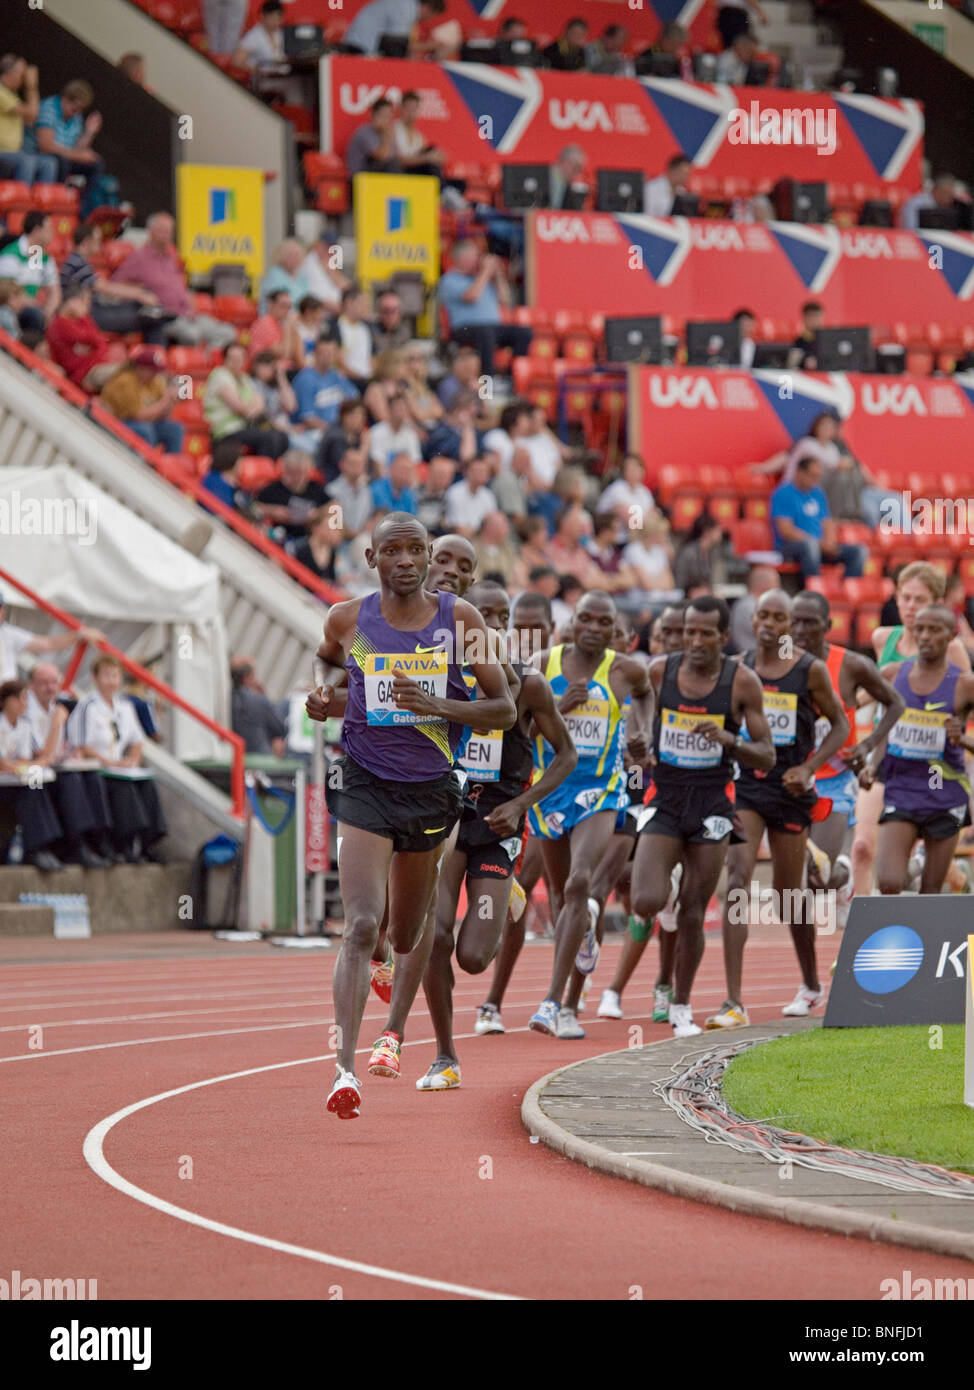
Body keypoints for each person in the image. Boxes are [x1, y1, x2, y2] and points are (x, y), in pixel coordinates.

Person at [306, 513, 516, 1118]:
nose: (405, 561)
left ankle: (394, 1012)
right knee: (361, 924)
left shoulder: (462, 621)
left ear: (428, 558)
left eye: (415, 551)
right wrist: (322, 700)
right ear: (372, 558)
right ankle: (345, 1068)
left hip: (429, 789)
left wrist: (435, 703)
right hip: (364, 780)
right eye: (391, 551)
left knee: (404, 932)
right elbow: (328, 670)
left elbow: (502, 709)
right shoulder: (347, 619)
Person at [407, 581, 576, 1087]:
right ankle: (444, 1054)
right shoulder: (438, 677)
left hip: (498, 824)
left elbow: (567, 756)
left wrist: (522, 803)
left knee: (474, 957)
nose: (496, 626)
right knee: (434, 934)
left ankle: (507, 897)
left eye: (503, 618)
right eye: (486, 615)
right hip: (446, 818)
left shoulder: (529, 685)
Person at [629, 596, 774, 1037]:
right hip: (667, 796)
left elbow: (766, 754)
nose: (693, 640)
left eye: (704, 633)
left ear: (723, 637)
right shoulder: (660, 671)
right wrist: (640, 740)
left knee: (694, 909)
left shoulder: (742, 682)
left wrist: (729, 740)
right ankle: (667, 879)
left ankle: (681, 1005)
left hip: (712, 803)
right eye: (688, 631)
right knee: (646, 900)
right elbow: (638, 705)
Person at [709, 590, 847, 1030]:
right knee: (736, 881)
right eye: (762, 614)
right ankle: (733, 1001)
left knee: (790, 899)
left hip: (790, 791)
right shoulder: (740, 668)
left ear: (790, 624)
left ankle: (810, 983)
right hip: (748, 787)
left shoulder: (810, 670)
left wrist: (809, 768)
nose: (768, 623)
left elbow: (841, 725)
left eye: (778, 617)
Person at [524, 592, 653, 1038]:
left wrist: (642, 734)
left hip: (602, 790)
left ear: (614, 626)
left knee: (580, 883)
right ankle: (582, 940)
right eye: (586, 619)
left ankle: (558, 1004)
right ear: (572, 622)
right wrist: (559, 710)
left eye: (604, 620)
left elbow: (645, 693)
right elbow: (517, 725)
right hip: (551, 789)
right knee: (563, 901)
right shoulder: (543, 663)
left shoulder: (624, 669)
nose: (594, 627)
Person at [853, 563, 971, 896]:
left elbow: (958, 700)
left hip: (936, 772)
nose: (909, 606)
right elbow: (868, 696)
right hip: (889, 761)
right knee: (863, 847)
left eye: (919, 599)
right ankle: (858, 935)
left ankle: (947, 874)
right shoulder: (882, 640)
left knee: (931, 877)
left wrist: (958, 739)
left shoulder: (953, 651)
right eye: (904, 598)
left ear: (937, 602)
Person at [790, 591, 904, 926]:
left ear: (827, 625)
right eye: (793, 621)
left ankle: (843, 880)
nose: (799, 629)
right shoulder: (777, 664)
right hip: (790, 780)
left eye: (809, 623)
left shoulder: (851, 665)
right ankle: (807, 968)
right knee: (797, 880)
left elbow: (895, 703)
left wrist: (868, 745)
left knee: (818, 873)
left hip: (834, 780)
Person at [598, 605, 686, 1022]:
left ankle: (661, 984)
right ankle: (604, 986)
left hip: (687, 801)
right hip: (637, 798)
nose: (667, 639)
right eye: (662, 632)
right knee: (641, 895)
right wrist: (637, 770)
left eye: (676, 632)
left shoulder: (702, 683)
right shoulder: (638, 681)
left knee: (667, 899)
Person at [67, 654, 168, 863]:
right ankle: (124, 844)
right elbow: (80, 746)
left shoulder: (125, 707)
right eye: (106, 676)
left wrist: (133, 758)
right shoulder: (87, 706)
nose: (112, 681)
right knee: (123, 788)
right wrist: (110, 762)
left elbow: (137, 739)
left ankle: (147, 842)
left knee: (147, 785)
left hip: (120, 766)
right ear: (95, 678)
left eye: (115, 676)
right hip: (97, 768)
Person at [25, 663, 114, 868]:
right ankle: (75, 845)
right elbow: (43, 754)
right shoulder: (26, 710)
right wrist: (57, 724)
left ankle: (100, 840)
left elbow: (75, 743)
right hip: (34, 772)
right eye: (44, 683)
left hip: (58, 767)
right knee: (67, 781)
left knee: (93, 778)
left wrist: (75, 752)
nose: (50, 688)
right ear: (31, 686)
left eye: (54, 682)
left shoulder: (63, 705)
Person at [110, 212, 237, 348]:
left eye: (169, 231)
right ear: (151, 231)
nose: (167, 235)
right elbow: (115, 284)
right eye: (162, 230)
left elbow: (181, 287)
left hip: (189, 316)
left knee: (228, 332)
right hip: (165, 318)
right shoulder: (139, 258)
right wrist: (139, 293)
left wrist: (189, 302)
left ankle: (208, 359)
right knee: (192, 335)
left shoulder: (172, 256)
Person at [436, 240, 531, 376]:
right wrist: (485, 272)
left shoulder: (484, 279)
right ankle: (488, 377)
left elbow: (506, 300)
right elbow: (471, 296)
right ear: (461, 259)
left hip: (491, 328)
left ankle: (511, 376)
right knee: (486, 332)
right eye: (474, 257)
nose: (478, 261)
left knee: (523, 333)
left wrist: (497, 275)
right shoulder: (450, 279)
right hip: (464, 328)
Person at [0, 679, 65, 871]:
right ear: (6, 700)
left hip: (14, 781)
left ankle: (43, 846)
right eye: (20, 699)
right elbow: (4, 763)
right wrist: (32, 764)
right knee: (31, 790)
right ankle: (36, 848)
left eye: (26, 699)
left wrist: (29, 765)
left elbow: (23, 759)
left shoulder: (24, 725)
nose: (24, 704)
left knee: (37, 787)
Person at [60, 222, 166, 341]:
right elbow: (103, 287)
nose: (101, 244)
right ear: (87, 242)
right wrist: (139, 294)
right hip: (90, 314)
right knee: (152, 318)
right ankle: (156, 356)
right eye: (98, 240)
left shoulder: (77, 261)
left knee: (150, 312)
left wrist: (139, 292)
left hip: (96, 309)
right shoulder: (76, 262)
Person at [770, 455, 865, 580]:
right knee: (810, 546)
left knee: (859, 551)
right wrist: (819, 543)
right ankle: (814, 590)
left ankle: (847, 592)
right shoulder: (783, 493)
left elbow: (827, 522)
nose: (815, 480)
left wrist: (830, 542)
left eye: (818, 476)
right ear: (800, 472)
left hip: (819, 546)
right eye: (812, 475)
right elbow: (786, 531)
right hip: (790, 547)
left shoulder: (818, 493)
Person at [23, 78, 107, 214]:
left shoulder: (76, 116)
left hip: (64, 155)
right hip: (39, 154)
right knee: (61, 162)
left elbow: (76, 148)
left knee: (96, 163)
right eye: (74, 108)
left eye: (80, 109)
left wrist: (89, 132)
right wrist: (77, 155)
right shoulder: (48, 108)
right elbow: (46, 146)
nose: (76, 112)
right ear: (66, 98)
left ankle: (85, 211)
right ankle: (56, 205)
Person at [203, 341, 290, 459]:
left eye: (240, 358)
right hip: (224, 432)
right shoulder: (219, 375)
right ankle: (262, 473)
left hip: (245, 428)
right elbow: (239, 408)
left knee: (282, 437)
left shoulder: (244, 378)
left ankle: (269, 471)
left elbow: (260, 404)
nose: (237, 362)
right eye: (233, 358)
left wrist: (248, 411)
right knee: (270, 439)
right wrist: (249, 410)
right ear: (224, 359)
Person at [0, 593, 103, 683]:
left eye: (1, 608)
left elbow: (49, 644)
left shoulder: (8, 633)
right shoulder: (8, 632)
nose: (1, 612)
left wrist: (81, 634)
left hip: (7, 697)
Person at [100, 344, 183, 453]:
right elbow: (138, 416)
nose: (155, 374)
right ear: (141, 368)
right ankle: (146, 464)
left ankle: (169, 466)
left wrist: (170, 401)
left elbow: (164, 416)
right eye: (152, 370)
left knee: (174, 429)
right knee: (145, 429)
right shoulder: (125, 381)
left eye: (156, 371)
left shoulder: (155, 381)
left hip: (142, 423)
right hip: (115, 422)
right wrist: (165, 401)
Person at [290, 330, 360, 454]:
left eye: (332, 353)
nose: (329, 357)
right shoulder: (306, 379)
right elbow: (309, 419)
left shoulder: (336, 375)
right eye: (325, 353)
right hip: (315, 434)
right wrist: (336, 431)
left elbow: (355, 400)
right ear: (315, 354)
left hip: (340, 431)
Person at [46, 284, 119, 393]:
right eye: (84, 301)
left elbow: (101, 342)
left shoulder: (83, 320)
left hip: (97, 367)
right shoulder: (59, 324)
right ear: (72, 301)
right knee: (122, 375)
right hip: (84, 375)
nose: (87, 306)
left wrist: (94, 345)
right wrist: (95, 345)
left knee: (129, 371)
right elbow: (96, 340)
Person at [0, 211, 60, 336]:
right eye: (49, 229)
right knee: (34, 316)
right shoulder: (11, 254)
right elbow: (6, 291)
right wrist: (40, 309)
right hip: (10, 308)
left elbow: (54, 291)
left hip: (32, 309)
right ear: (37, 230)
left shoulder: (43, 257)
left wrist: (49, 310)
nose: (52, 233)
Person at [0, 55, 57, 185]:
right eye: (21, 74)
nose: (24, 79)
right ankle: (20, 204)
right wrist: (32, 85)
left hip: (14, 153)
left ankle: (38, 204)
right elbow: (32, 113)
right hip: (3, 151)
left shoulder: (12, 95)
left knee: (49, 163)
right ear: (10, 73)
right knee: (27, 161)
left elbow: (32, 118)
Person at [256, 449, 327, 543]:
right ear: (286, 470)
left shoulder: (315, 488)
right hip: (277, 537)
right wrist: (272, 510)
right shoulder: (273, 489)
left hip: (307, 540)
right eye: (296, 473)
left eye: (304, 473)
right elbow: (253, 507)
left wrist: (316, 515)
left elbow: (335, 507)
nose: (301, 477)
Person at [231, 655, 286, 756]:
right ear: (247, 677)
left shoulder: (226, 699)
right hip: (259, 759)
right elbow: (280, 728)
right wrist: (264, 696)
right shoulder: (259, 701)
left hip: (232, 755)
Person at [422, 390, 485, 465]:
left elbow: (476, 460)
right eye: (468, 412)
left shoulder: (476, 433)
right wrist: (467, 429)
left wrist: (468, 429)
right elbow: (467, 459)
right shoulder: (440, 431)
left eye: (474, 415)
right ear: (458, 409)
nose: (471, 419)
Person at [344, 98, 402, 179]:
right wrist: (386, 136)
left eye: (388, 116)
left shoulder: (388, 133)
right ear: (372, 115)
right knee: (391, 165)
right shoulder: (364, 132)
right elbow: (382, 156)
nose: (385, 120)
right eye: (382, 116)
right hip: (360, 179)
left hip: (377, 177)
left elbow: (396, 157)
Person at [392, 90, 445, 177]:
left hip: (416, 173)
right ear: (401, 108)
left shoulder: (419, 136)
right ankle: (443, 187)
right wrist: (427, 158)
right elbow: (398, 160)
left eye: (414, 109)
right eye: (408, 108)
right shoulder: (393, 129)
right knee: (429, 156)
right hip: (399, 172)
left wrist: (438, 156)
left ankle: (445, 187)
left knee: (460, 183)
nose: (411, 113)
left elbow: (429, 155)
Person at [729, 564, 779, 654]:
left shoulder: (753, 604)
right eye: (776, 583)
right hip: (750, 661)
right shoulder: (747, 607)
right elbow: (769, 634)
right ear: (764, 584)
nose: (778, 588)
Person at [367, 391, 422, 473]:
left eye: (403, 408)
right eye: (398, 408)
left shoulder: (411, 434)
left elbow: (415, 463)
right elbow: (377, 464)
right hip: (382, 481)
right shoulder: (376, 431)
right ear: (389, 410)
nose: (401, 412)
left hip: (404, 480)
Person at [673, 512, 727, 595]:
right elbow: (679, 583)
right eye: (717, 529)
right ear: (707, 531)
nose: (720, 532)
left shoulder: (712, 553)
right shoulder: (688, 553)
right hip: (686, 596)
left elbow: (709, 582)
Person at [326, 445, 373, 539]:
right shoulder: (332, 490)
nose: (356, 468)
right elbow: (335, 525)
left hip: (362, 539)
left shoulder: (366, 490)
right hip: (340, 542)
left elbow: (368, 518)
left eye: (360, 464)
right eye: (352, 463)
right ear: (342, 465)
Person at [901, 172, 973, 233]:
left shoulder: (956, 205)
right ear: (935, 190)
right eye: (946, 193)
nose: (949, 198)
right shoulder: (916, 204)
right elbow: (910, 230)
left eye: (951, 195)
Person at [596, 454, 656, 527]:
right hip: (616, 536)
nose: (636, 471)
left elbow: (655, 516)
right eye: (632, 468)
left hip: (638, 535)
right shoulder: (616, 489)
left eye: (639, 468)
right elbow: (633, 522)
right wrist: (649, 521)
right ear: (624, 471)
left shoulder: (644, 491)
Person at [443, 455, 496, 537]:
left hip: (481, 541)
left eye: (483, 471)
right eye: (477, 471)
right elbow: (460, 530)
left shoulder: (488, 495)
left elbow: (492, 526)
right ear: (466, 472)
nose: (480, 474)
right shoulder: (455, 493)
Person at [247, 288, 301, 367]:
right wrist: (288, 327)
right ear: (271, 304)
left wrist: (293, 329)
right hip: (266, 369)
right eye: (283, 306)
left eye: (289, 307)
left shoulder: (279, 324)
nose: (287, 311)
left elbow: (295, 353)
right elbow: (285, 354)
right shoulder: (265, 323)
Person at [319, 399, 368, 483]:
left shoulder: (355, 435)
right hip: (333, 483)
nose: (359, 419)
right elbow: (351, 467)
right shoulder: (335, 438)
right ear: (344, 416)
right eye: (355, 415)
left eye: (361, 416)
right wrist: (365, 445)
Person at [300, 236, 351, 315]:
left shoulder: (327, 262)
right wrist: (345, 311)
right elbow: (318, 298)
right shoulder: (310, 263)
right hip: (322, 315)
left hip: (337, 312)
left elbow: (347, 287)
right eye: (328, 247)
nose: (331, 251)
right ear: (319, 245)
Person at [337, 286, 375, 388]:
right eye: (362, 303)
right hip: (347, 381)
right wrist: (361, 377)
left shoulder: (366, 328)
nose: (366, 307)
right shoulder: (336, 325)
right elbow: (338, 361)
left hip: (366, 380)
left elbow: (372, 359)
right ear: (349, 303)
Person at [259, 239, 310, 313]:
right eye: (291, 255)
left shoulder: (302, 277)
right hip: (280, 317)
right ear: (282, 257)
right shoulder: (275, 275)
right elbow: (278, 306)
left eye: (298, 255)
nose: (296, 258)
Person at [414, 456, 456, 536]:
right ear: (430, 472)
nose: (446, 479)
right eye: (441, 474)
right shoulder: (414, 494)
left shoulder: (447, 498)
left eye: (449, 476)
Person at [436, 345, 483, 412]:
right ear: (458, 367)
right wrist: (471, 392)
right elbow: (455, 413)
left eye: (477, 367)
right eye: (470, 368)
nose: (474, 372)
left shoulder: (471, 384)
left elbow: (483, 412)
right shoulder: (448, 385)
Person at [643, 154, 691, 219]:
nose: (685, 177)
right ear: (671, 170)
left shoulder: (682, 192)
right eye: (683, 173)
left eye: (687, 174)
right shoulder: (651, 188)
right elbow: (645, 216)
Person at [787, 301, 825, 371]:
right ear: (804, 318)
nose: (815, 320)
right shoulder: (799, 342)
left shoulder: (827, 341)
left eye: (818, 316)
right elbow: (792, 365)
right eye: (812, 316)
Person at [372, 290, 412, 355]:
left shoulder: (404, 333)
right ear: (379, 312)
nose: (390, 315)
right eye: (386, 311)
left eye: (393, 311)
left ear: (400, 313)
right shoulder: (371, 332)